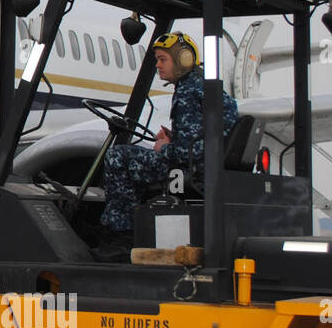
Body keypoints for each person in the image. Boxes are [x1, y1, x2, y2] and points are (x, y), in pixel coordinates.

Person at [100, 32, 239, 239]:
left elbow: (187, 152)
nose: (158, 65)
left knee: (117, 157)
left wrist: (164, 148)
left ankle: (123, 233)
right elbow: (204, 137)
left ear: (183, 60)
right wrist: (173, 138)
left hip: (191, 168)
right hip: (203, 164)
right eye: (157, 60)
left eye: (162, 59)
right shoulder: (202, 86)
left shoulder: (188, 91)